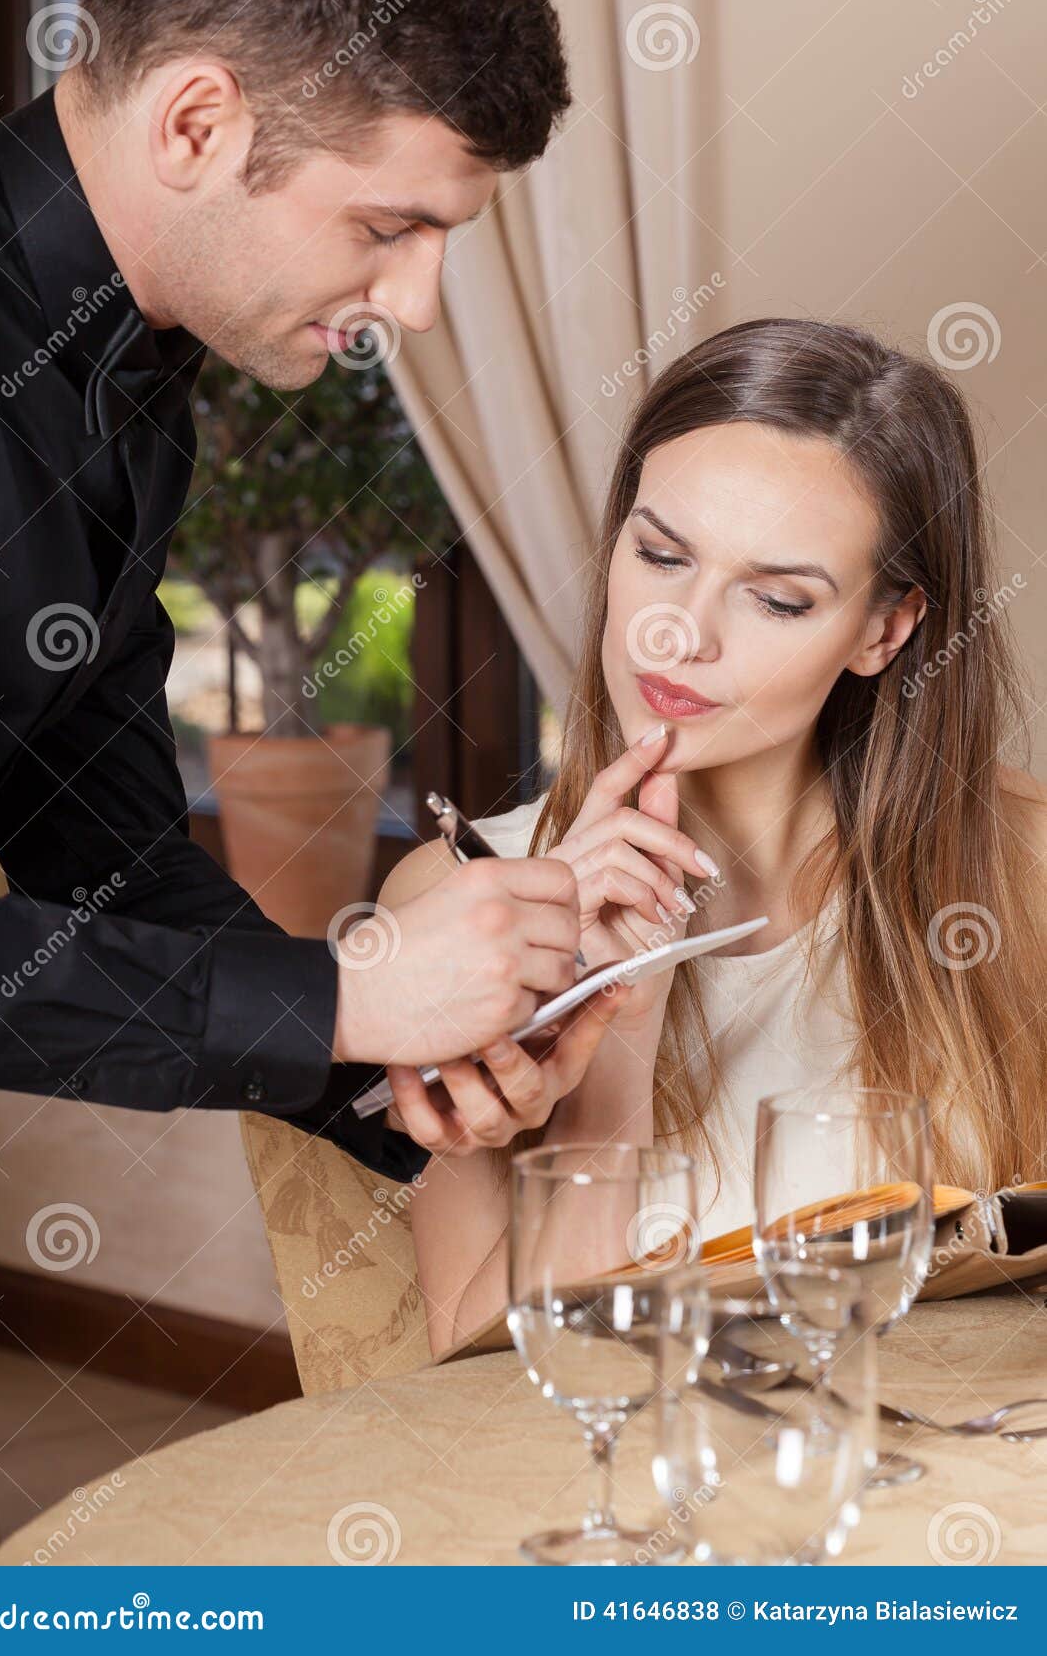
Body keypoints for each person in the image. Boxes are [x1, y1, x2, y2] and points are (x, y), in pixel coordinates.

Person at [0, 0, 621, 1184]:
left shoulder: (138, 385)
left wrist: (396, 1067)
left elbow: (101, 849)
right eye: (387, 228)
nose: (416, 306)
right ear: (196, 125)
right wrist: (342, 998)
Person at [387, 316, 1047, 1353]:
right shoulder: (461, 895)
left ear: (883, 629)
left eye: (776, 598)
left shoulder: (1021, 866)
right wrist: (614, 1050)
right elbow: (478, 1373)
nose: (676, 634)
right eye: (657, 554)